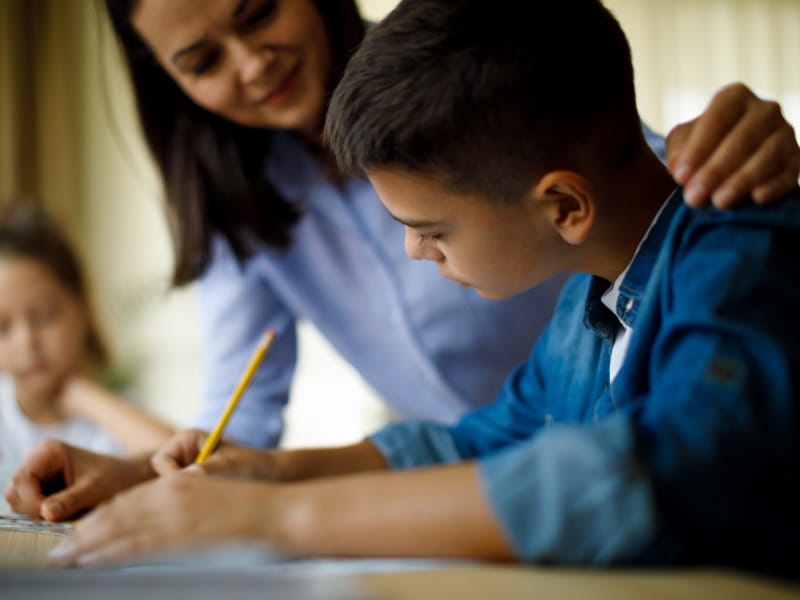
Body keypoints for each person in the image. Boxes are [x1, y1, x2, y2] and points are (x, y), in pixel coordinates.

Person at [23, 0, 799, 577]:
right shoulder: (583, 302)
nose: (412, 250)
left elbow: (670, 467)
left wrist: (279, 515)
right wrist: (262, 474)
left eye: (431, 229)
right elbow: (465, 443)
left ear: (563, 209)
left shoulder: (731, 249)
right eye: (201, 60)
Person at [103, 0, 799, 450]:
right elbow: (243, 414)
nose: (253, 65)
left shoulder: (468, 63)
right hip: (494, 464)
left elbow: (619, 181)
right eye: (203, 62)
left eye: (259, 13)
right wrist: (159, 476)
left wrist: (725, 168)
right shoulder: (233, 200)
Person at [0, 202, 172, 512]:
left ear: (85, 309)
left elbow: (184, 467)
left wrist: (80, 394)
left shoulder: (118, 418)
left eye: (45, 316)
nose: (27, 341)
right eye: (3, 328)